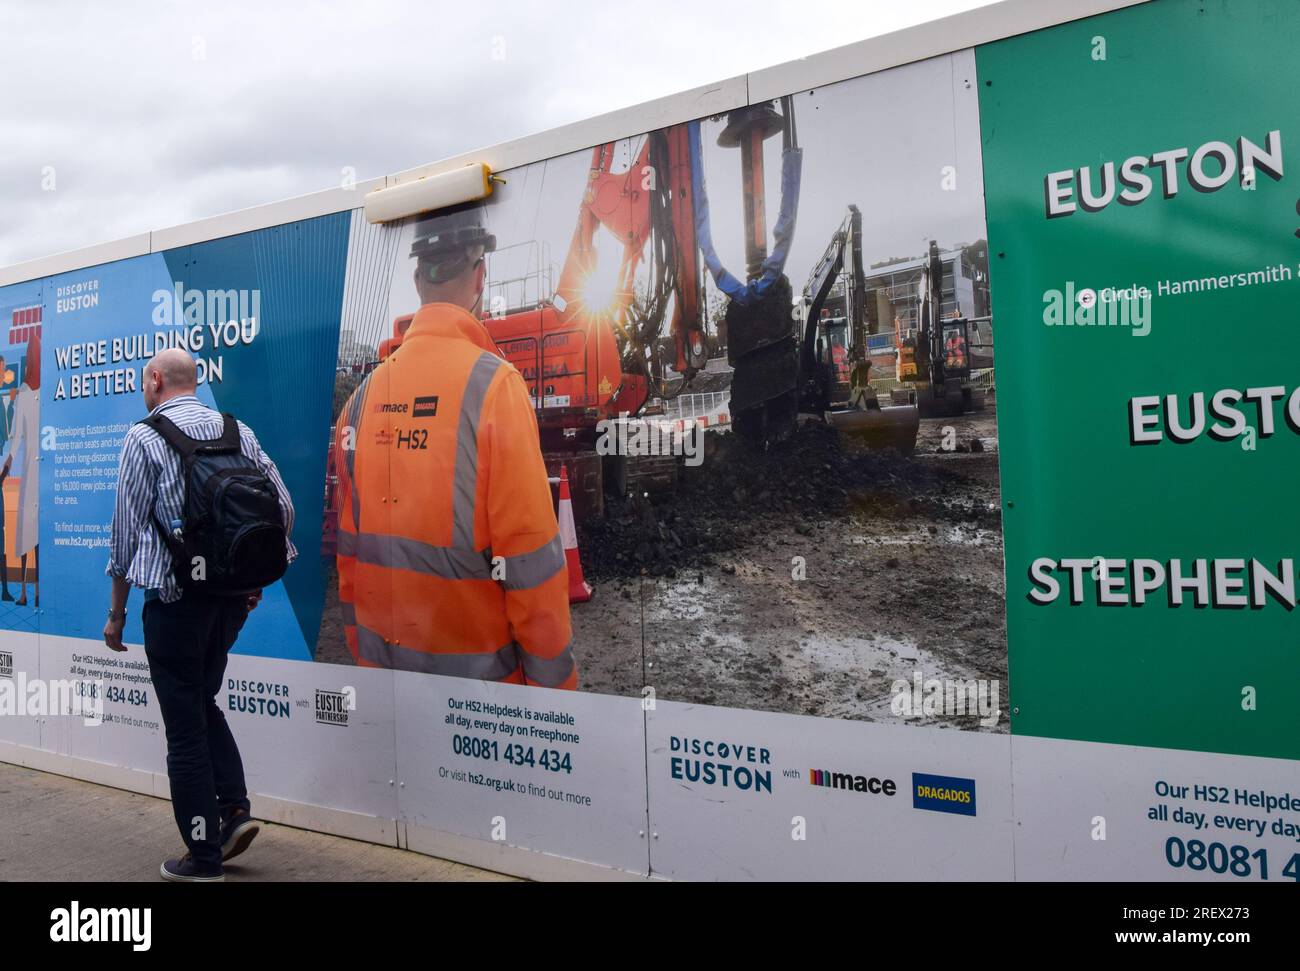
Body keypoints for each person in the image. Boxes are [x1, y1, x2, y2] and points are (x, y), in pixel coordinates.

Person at [333, 204, 576, 689]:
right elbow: (531, 568)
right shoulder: (496, 389)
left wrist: (366, 655)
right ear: (480, 275)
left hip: (386, 689)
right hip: (480, 709)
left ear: (418, 279)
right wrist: (556, 697)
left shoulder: (361, 401)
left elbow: (350, 553)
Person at [103, 348, 296, 882]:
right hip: (230, 604)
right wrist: (248, 579)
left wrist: (116, 613)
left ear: (156, 380)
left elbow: (123, 538)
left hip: (175, 603)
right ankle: (233, 813)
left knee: (184, 727)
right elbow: (283, 510)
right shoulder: (239, 432)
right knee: (202, 698)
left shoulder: (144, 438)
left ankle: (203, 857)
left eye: (145, 381)